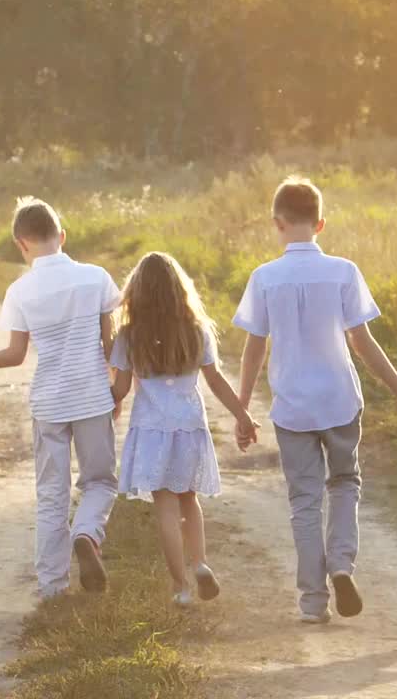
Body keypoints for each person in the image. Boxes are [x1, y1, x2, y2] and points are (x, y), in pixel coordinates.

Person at [233, 176, 397, 625]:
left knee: (304, 500)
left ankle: (312, 602)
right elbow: (363, 343)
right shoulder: (344, 271)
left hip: (293, 408)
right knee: (344, 484)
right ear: (320, 223)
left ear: (276, 223)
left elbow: (254, 349)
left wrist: (243, 410)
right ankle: (341, 564)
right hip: (340, 401)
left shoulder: (263, 278)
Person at [0, 197, 119, 599]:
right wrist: (118, 388)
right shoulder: (96, 278)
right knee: (101, 482)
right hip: (92, 397)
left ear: (21, 244)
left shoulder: (21, 290)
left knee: (51, 494)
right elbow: (111, 345)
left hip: (50, 404)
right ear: (62, 235)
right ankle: (87, 535)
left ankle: (52, 586)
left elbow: (14, 355)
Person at [109, 252, 259, 607]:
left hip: (151, 429)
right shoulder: (197, 331)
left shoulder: (129, 337)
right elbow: (216, 380)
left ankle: (180, 587)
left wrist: (101, 402)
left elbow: (120, 390)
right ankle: (201, 563)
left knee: (164, 504)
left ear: (136, 293)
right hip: (190, 426)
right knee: (189, 499)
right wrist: (242, 415)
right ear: (180, 290)